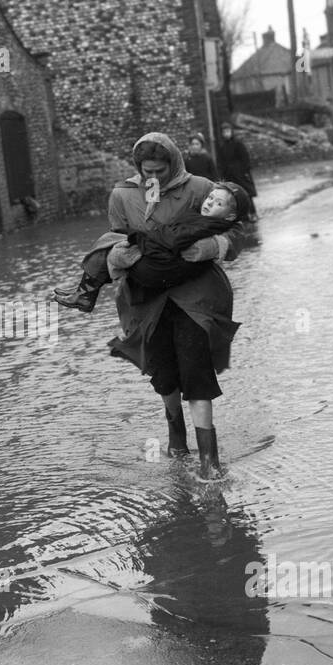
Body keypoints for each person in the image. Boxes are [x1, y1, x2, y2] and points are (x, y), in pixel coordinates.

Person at [64, 132, 243, 478]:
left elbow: (238, 233)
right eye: (148, 171)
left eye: (161, 171)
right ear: (137, 167)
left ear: (174, 163)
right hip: (146, 300)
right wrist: (117, 255)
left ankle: (210, 461)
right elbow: (115, 237)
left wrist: (211, 248)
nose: (154, 178)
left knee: (196, 371)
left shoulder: (201, 188)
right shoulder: (122, 195)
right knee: (164, 373)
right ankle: (177, 439)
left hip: (196, 297)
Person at [51, 181, 252, 312]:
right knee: (111, 238)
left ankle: (86, 292)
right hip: (156, 258)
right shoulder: (135, 186)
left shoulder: (197, 189)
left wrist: (215, 246)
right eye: (210, 199)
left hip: (166, 268)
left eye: (216, 202)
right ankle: (85, 291)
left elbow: (235, 230)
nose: (209, 203)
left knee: (114, 243)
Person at [216, 122, 257, 205]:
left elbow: (245, 158)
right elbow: (220, 162)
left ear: (231, 131)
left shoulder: (238, 144)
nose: (226, 134)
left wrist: (245, 170)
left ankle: (252, 212)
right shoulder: (222, 147)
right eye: (224, 132)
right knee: (235, 195)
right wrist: (223, 174)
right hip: (230, 175)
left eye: (228, 131)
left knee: (246, 193)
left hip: (240, 173)